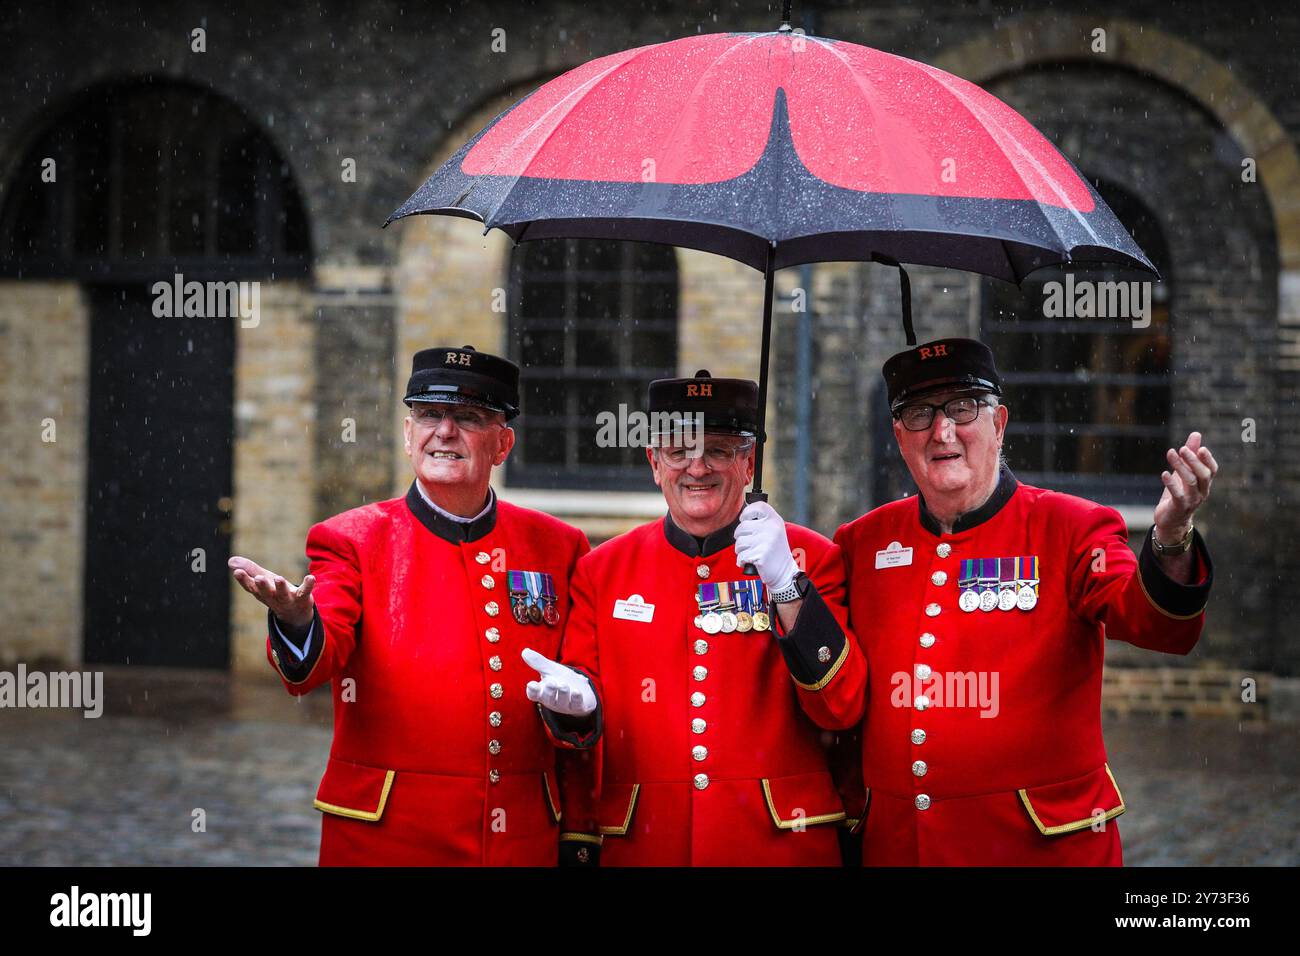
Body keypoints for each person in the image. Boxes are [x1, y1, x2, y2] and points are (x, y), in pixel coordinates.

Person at [833, 338, 1216, 865]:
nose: (942, 431)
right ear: (900, 437)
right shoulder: (863, 542)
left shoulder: (1074, 527)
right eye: (919, 414)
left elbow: (1155, 623)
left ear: (999, 424)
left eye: (962, 409)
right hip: (901, 846)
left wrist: (1171, 535)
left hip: (1035, 847)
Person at [228, 346, 592, 865]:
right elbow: (318, 656)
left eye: (468, 418)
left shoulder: (558, 546)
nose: (444, 432)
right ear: (407, 434)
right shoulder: (351, 538)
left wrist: (582, 832)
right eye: (428, 415)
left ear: (503, 443)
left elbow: (581, 698)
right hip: (389, 840)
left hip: (521, 840)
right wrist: (296, 618)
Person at [525, 371, 867, 866]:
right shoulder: (603, 571)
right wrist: (576, 707)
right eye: (678, 449)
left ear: (749, 463)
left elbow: (841, 707)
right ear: (653, 463)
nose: (697, 467)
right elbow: (582, 699)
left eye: (720, 450)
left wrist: (787, 583)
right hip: (647, 846)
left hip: (779, 847)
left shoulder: (811, 558)